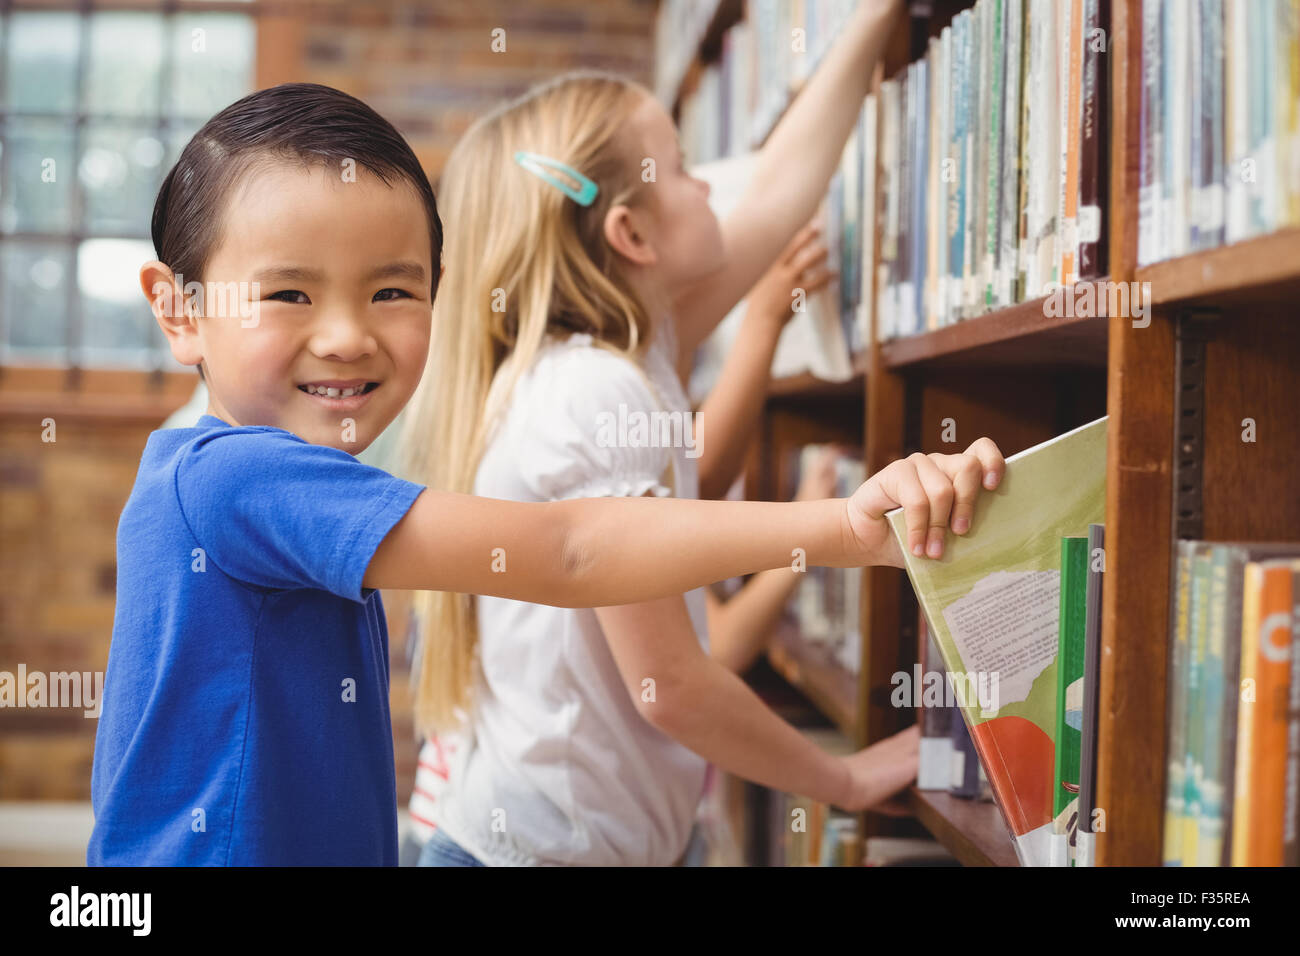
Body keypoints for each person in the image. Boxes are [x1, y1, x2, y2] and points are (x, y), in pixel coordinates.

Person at [89, 80, 1002, 866]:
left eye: (392, 291)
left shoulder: (253, 476)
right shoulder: (240, 478)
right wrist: (842, 528)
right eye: (290, 292)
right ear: (180, 312)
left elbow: (632, 512)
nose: (347, 335)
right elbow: (569, 550)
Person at [401, 0, 1001, 869]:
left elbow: (785, 182)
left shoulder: (629, 352)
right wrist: (846, 780)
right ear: (631, 234)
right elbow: (670, 685)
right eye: (683, 168)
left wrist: (874, 19)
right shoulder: (589, 388)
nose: (715, 185)